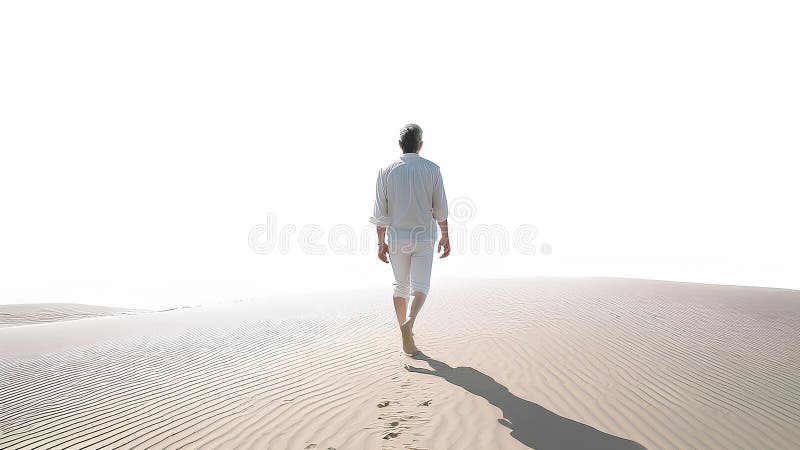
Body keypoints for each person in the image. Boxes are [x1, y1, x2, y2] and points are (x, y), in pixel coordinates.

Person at [369, 123, 450, 355]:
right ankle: (409, 325)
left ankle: (403, 328)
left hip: (396, 238)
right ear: (421, 145)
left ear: (400, 145)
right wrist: (445, 236)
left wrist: (380, 243)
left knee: (400, 286)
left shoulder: (385, 171)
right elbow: (440, 210)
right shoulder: (433, 169)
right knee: (421, 286)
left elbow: (380, 213)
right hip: (424, 236)